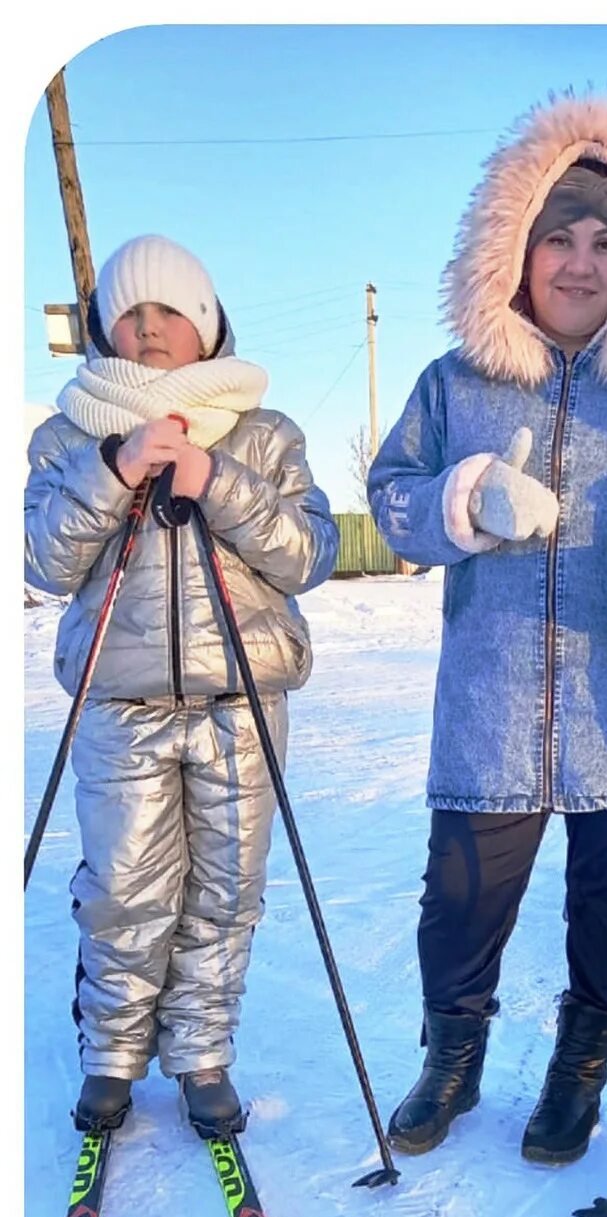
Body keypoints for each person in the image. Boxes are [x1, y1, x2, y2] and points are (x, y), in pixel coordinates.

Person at [368, 96, 607, 1162]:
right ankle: (452, 1057)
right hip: (494, 698)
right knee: (461, 902)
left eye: (605, 242)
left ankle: (579, 1067)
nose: (578, 263)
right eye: (556, 238)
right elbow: (392, 500)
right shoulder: (453, 382)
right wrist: (462, 503)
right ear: (514, 252)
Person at [24, 234, 338, 1137]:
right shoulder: (70, 433)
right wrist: (114, 469)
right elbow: (44, 557)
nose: (150, 326)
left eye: (171, 310)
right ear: (103, 328)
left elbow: (308, 553)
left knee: (226, 890)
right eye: (130, 310)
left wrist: (216, 480)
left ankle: (202, 1051)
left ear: (207, 326)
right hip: (118, 705)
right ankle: (113, 1057)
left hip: (240, 702)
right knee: (124, 889)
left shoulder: (265, 433)